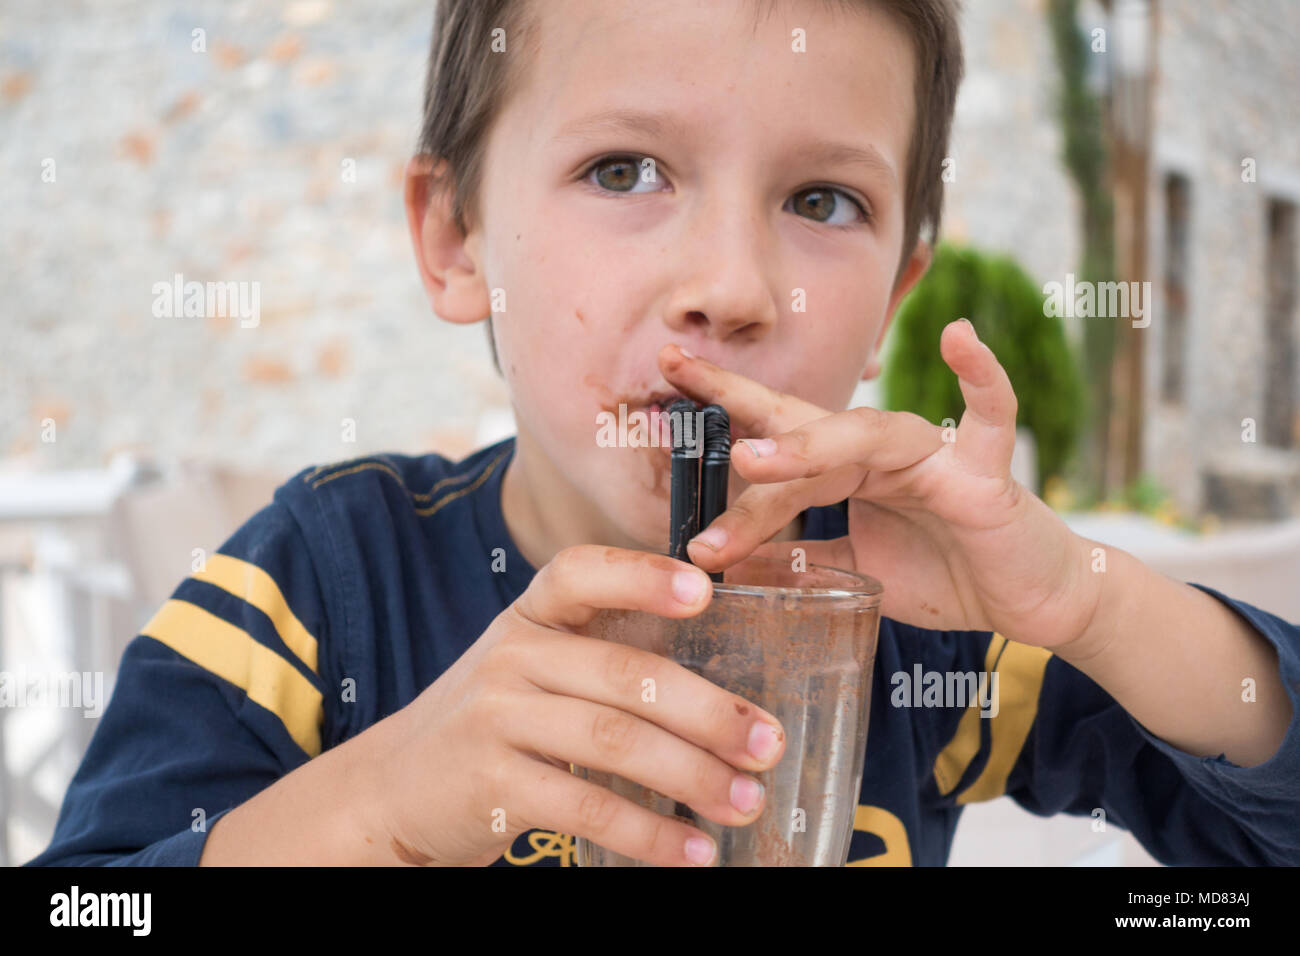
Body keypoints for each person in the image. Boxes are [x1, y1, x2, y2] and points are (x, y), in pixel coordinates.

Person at [27, 0, 1300, 867]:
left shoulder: (925, 620)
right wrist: (375, 803)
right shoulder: (313, 590)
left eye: (820, 198)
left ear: (892, 303)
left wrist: (1082, 599)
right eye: (626, 170)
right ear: (456, 235)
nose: (732, 284)